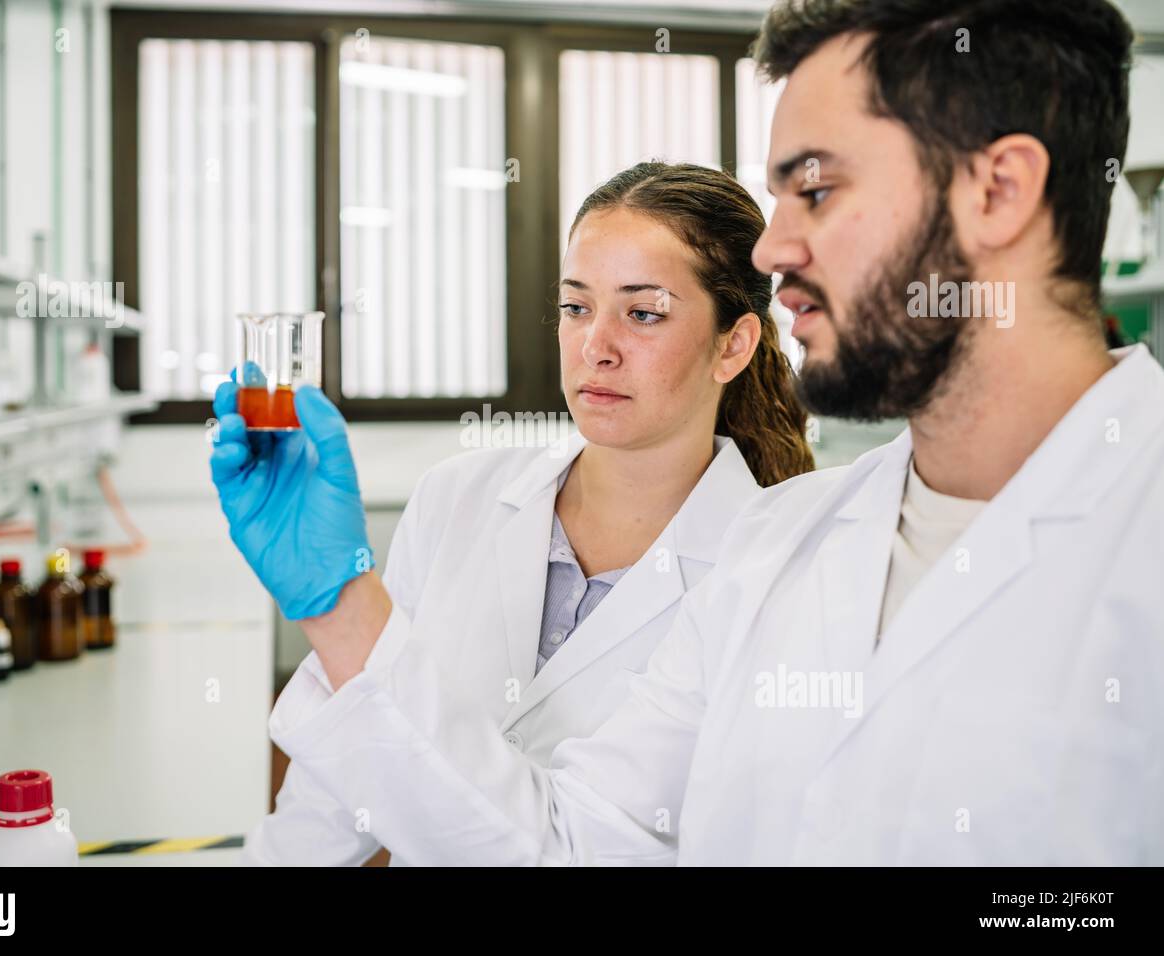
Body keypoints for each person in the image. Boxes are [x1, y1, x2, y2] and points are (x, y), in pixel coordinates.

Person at [224, 0, 1164, 865]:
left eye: (818, 190)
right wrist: (341, 604)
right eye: (575, 307)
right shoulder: (783, 545)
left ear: (999, 191)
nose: (771, 249)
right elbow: (569, 848)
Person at [215, 162, 814, 865]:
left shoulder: (773, 574)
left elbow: (570, 848)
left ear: (733, 345)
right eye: (576, 307)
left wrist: (345, 609)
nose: (597, 347)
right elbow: (333, 804)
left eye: (643, 312)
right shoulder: (456, 498)